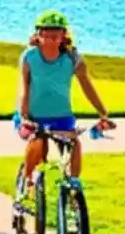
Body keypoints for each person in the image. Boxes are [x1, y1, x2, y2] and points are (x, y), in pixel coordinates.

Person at [14, 10, 115, 189]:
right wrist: (24, 117)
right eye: (47, 34)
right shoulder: (29, 57)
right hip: (32, 115)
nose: (52, 38)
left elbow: (87, 87)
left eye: (56, 34)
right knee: (37, 143)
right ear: (39, 34)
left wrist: (103, 113)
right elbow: (24, 89)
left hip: (61, 117)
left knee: (73, 144)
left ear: (63, 35)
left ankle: (73, 185)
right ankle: (27, 182)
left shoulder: (72, 59)